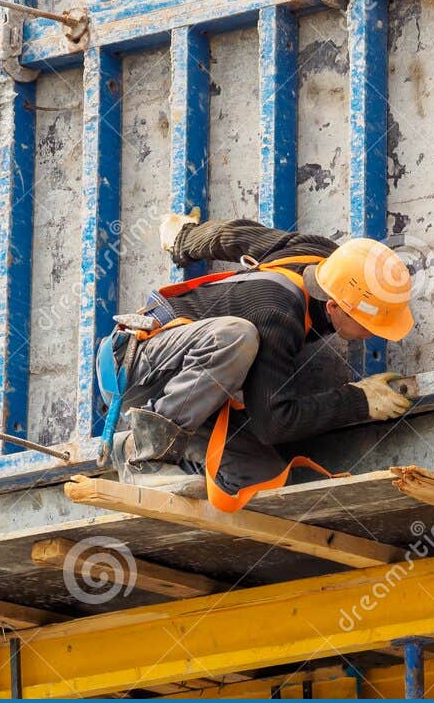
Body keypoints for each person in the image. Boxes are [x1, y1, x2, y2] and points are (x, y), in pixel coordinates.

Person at [108, 214, 416, 509]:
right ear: (334, 307)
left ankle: (165, 457)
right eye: (368, 324)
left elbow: (238, 236)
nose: (374, 334)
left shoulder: (329, 262)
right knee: (235, 337)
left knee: (261, 477)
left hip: (187, 393)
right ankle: (142, 455)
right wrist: (358, 401)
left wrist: (184, 237)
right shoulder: (279, 315)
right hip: (134, 366)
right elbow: (273, 424)